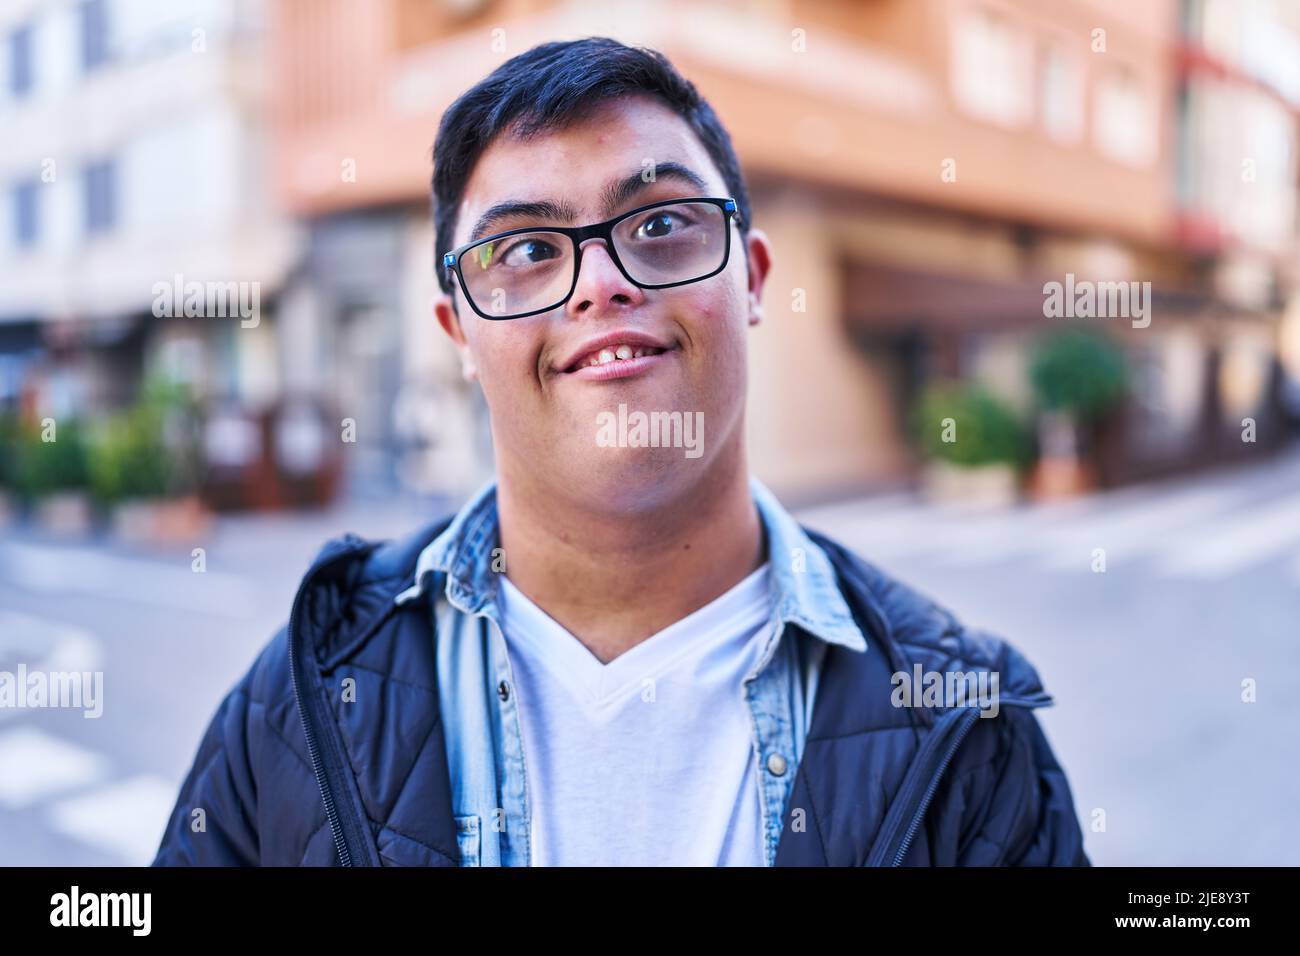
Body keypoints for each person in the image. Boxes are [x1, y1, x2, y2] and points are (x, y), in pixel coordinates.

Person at [154, 36, 1088, 867]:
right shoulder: (302, 696)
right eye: (523, 249)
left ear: (752, 279)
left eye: (660, 225)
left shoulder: (968, 717)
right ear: (459, 335)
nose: (599, 283)